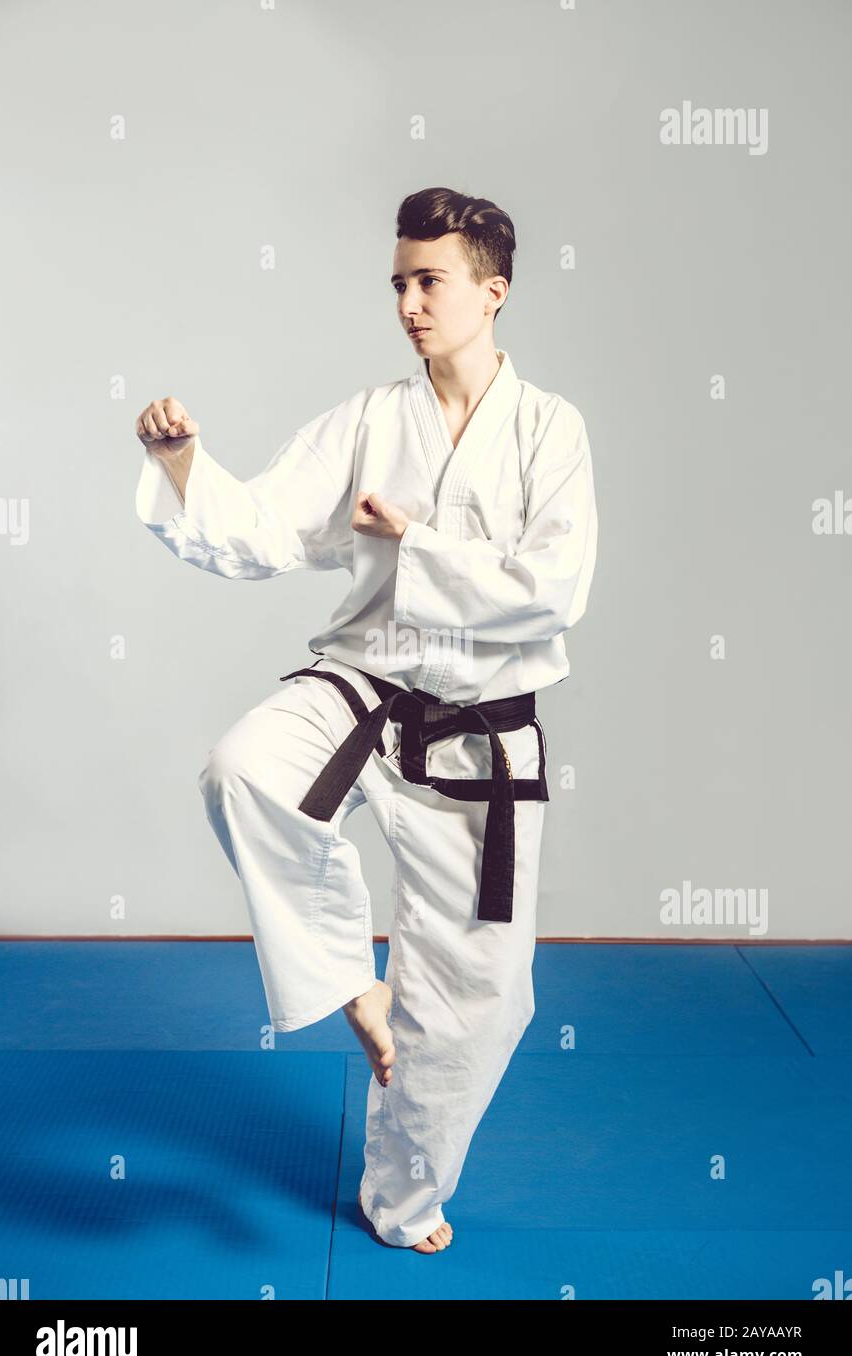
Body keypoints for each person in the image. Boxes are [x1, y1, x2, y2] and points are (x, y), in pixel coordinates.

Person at [133, 186, 599, 1253]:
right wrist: (182, 467)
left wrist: (418, 544)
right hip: (368, 683)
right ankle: (352, 980)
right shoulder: (368, 418)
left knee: (486, 1002)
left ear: (493, 291)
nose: (407, 301)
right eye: (397, 281)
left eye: (429, 279)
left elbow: (552, 587)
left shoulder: (549, 429)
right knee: (243, 768)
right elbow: (261, 527)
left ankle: (403, 1197)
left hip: (482, 731)